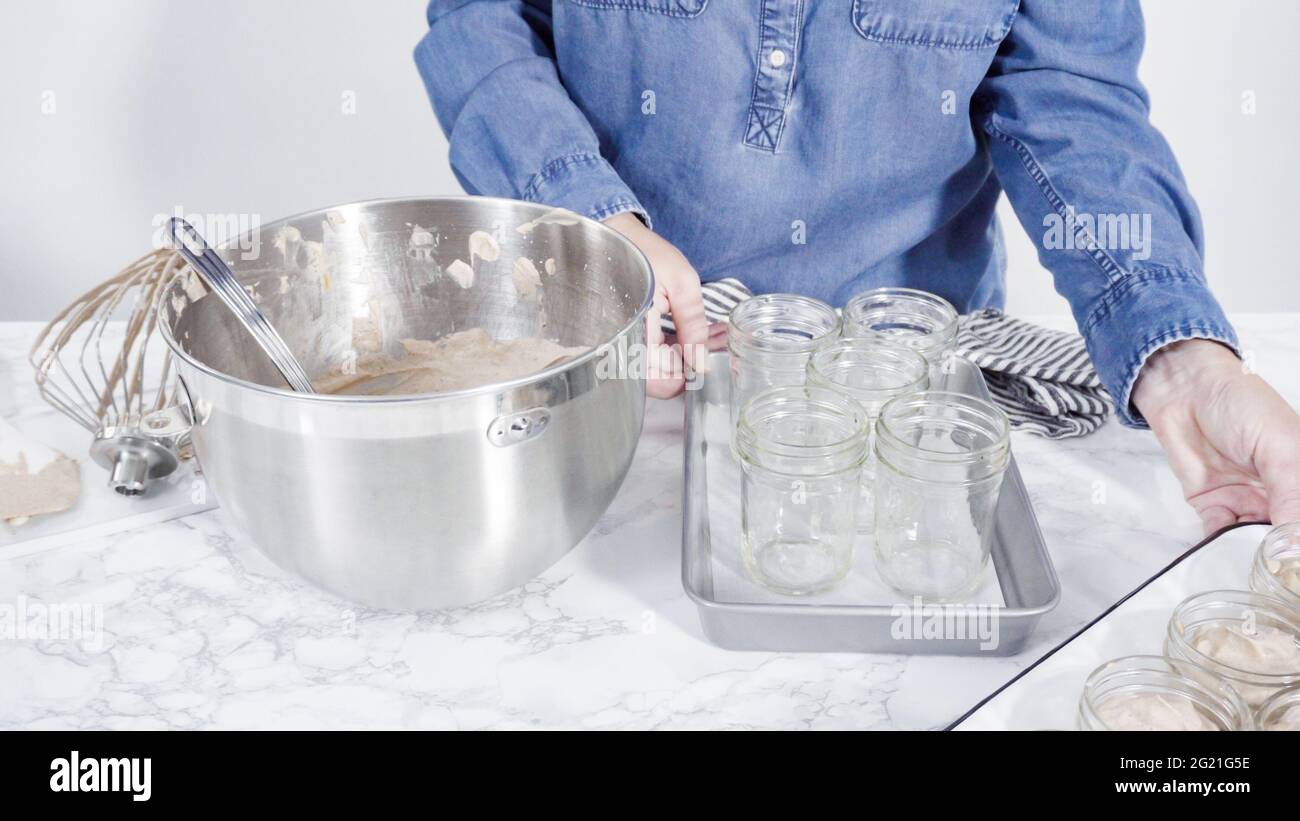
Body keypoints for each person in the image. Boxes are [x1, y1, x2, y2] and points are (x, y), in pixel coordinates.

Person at [415, 1, 1300, 534]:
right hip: (604, 379)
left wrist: (1181, 361)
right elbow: (480, 21)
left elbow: (1073, 102)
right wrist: (591, 231)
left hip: (907, 423)